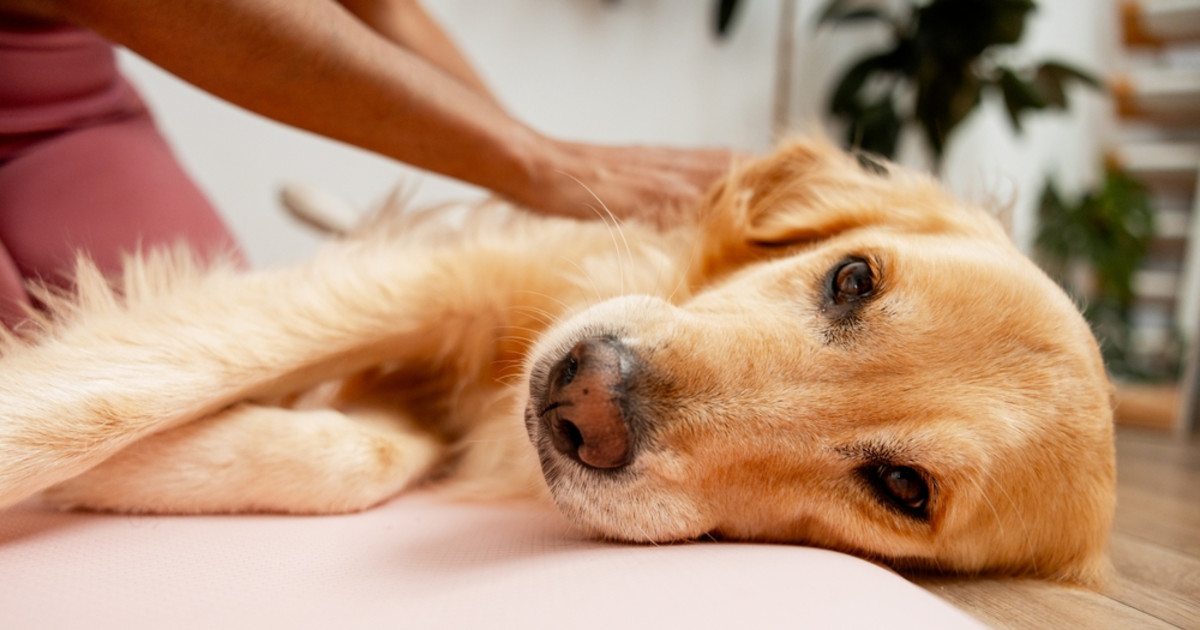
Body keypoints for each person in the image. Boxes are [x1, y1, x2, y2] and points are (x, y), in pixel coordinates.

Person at [0, 0, 735, 327]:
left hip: (56, 88)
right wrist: (535, 163)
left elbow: (381, 8)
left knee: (211, 381)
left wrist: (536, 188)